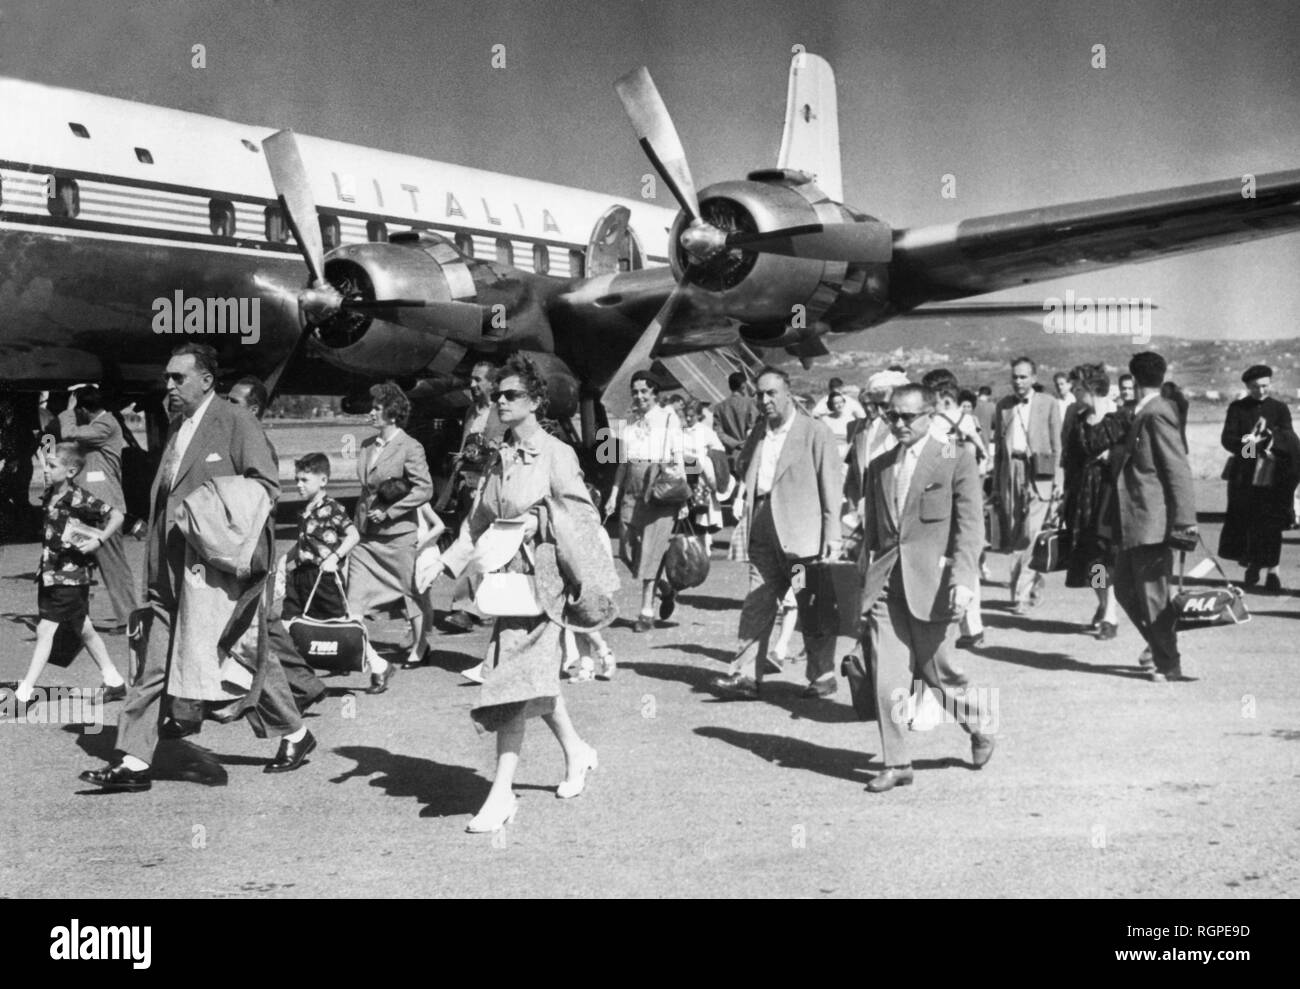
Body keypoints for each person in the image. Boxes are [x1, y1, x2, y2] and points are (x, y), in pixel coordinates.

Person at [81, 343, 312, 792]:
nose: (167, 386)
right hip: (169, 573)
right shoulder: (180, 426)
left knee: (234, 653)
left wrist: (208, 513)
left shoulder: (235, 420)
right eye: (166, 377)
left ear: (206, 380)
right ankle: (133, 760)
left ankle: (296, 733)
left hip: (212, 573)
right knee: (154, 664)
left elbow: (265, 487)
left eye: (177, 378)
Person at [459, 354, 612, 833]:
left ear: (536, 401)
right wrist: (440, 562)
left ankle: (501, 794)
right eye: (497, 394)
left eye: (511, 395)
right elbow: (478, 519)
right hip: (508, 587)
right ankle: (578, 751)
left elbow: (585, 519)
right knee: (531, 679)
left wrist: (539, 522)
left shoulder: (555, 453)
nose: (499, 401)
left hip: (544, 584)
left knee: (511, 680)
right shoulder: (500, 454)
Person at [859, 384, 994, 792]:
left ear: (930, 414)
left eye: (908, 417)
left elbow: (970, 528)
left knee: (941, 676)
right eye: (892, 416)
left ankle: (979, 724)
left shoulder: (955, 457)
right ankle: (897, 763)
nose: (898, 423)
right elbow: (872, 536)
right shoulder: (879, 465)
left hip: (934, 586)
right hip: (887, 585)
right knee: (888, 678)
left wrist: (963, 581)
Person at [711, 367, 842, 700]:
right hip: (764, 529)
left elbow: (830, 485)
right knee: (758, 603)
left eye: (771, 393)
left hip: (801, 537)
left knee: (810, 606)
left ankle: (822, 675)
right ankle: (745, 677)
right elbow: (743, 466)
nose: (764, 400)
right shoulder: (759, 432)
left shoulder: (815, 432)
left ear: (788, 393)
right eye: (759, 394)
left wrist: (832, 534)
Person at [11, 443, 127, 706]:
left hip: (71, 577)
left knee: (46, 630)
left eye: (52, 466)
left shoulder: (79, 497)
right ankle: (114, 680)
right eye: (45, 465)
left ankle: (25, 692)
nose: (46, 470)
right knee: (83, 628)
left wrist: (99, 541)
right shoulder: (50, 493)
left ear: (71, 470)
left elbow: (117, 516)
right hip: (50, 574)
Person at [1112, 352, 1198, 682]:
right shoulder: (1149, 410)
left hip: (1150, 519)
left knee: (1153, 595)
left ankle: (1168, 662)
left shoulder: (1156, 412)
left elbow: (1176, 468)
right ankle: (1159, 647)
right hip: (1135, 518)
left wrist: (1184, 519)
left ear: (1133, 379)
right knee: (1123, 588)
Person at [349, 382, 435, 689]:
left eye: (377, 408)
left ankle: (421, 645)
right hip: (366, 537)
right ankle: (374, 661)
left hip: (398, 535)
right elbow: (365, 490)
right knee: (354, 598)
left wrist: (391, 511)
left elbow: (424, 488)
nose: (371, 412)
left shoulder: (410, 447)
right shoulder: (366, 445)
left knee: (412, 593)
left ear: (393, 414)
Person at [604, 370, 685, 632]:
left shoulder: (668, 418)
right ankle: (664, 586)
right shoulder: (628, 424)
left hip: (658, 489)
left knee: (650, 549)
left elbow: (679, 456)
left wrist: (682, 498)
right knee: (626, 549)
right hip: (631, 489)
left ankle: (646, 612)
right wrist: (613, 496)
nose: (638, 396)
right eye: (635, 392)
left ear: (654, 393)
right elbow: (622, 464)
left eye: (643, 391)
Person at [56, 385, 141, 630]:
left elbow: (68, 432)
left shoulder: (105, 425)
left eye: (78, 409)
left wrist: (68, 411)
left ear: (83, 409)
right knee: (77, 562)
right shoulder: (94, 427)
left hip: (105, 506)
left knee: (113, 564)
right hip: (85, 505)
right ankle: (78, 617)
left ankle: (129, 619)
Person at [923, 369, 989, 649]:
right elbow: (983, 456)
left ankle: (963, 623)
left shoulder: (939, 424)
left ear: (943, 397)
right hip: (967, 492)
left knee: (950, 558)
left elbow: (946, 460)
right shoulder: (969, 421)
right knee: (966, 559)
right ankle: (972, 626)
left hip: (945, 495)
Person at [1218, 364, 1299, 592]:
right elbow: (1228, 439)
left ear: (1270, 384)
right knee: (1249, 522)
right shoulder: (1237, 409)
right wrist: (1250, 442)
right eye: (1255, 387)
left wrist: (1272, 437)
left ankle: (1273, 570)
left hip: (1274, 477)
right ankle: (1253, 563)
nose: (1260, 391)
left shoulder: (1280, 408)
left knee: (1272, 525)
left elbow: (1291, 439)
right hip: (1245, 477)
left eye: (1264, 386)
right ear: (1247, 387)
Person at [992, 357, 1063, 614]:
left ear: (1034, 378)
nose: (1018, 381)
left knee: (1030, 534)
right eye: (1015, 377)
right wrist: (996, 487)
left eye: (1023, 377)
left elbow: (1058, 446)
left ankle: (1020, 594)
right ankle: (1032, 586)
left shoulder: (1049, 403)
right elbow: (1000, 450)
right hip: (1011, 472)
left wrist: (1059, 481)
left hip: (1040, 474)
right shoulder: (1002, 407)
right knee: (1014, 535)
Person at [1063, 364, 1128, 639]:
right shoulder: (1078, 419)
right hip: (1082, 496)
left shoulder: (1120, 419)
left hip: (1109, 495)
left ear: (1090, 387)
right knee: (1091, 557)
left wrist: (1111, 456)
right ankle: (1103, 604)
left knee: (1106, 553)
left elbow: (1134, 455)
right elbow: (1071, 460)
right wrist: (1064, 495)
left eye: (1077, 387)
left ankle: (1110, 612)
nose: (1074, 392)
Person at [281, 453, 360, 622]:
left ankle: (363, 647)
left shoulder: (332, 508)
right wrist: (285, 559)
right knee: (291, 621)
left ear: (323, 481)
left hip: (324, 577)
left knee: (333, 622)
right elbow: (305, 543)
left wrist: (334, 558)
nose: (299, 485)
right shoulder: (305, 511)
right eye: (297, 480)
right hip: (300, 576)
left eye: (304, 480)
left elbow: (353, 536)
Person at [844, 369, 909, 513]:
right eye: (877, 405)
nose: (880, 413)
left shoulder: (945, 434)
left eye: (885, 406)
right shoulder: (885, 443)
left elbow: (951, 469)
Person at [680, 398, 728, 549]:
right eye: (686, 415)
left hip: (701, 478)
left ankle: (702, 545)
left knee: (701, 511)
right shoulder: (681, 431)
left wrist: (707, 458)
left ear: (699, 416)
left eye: (691, 416)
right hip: (685, 475)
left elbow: (719, 450)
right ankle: (692, 546)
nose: (688, 419)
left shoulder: (705, 432)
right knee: (687, 512)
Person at [712, 371, 759, 476]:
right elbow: (755, 427)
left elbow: (718, 433)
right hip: (752, 454)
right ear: (743, 386)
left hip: (733, 458)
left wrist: (735, 443)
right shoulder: (751, 403)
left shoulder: (719, 408)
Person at [817, 391, 854, 460]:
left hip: (846, 454)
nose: (839, 405)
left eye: (841, 402)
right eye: (836, 403)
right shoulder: (825, 420)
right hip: (829, 454)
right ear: (831, 405)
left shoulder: (850, 419)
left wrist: (845, 456)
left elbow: (851, 442)